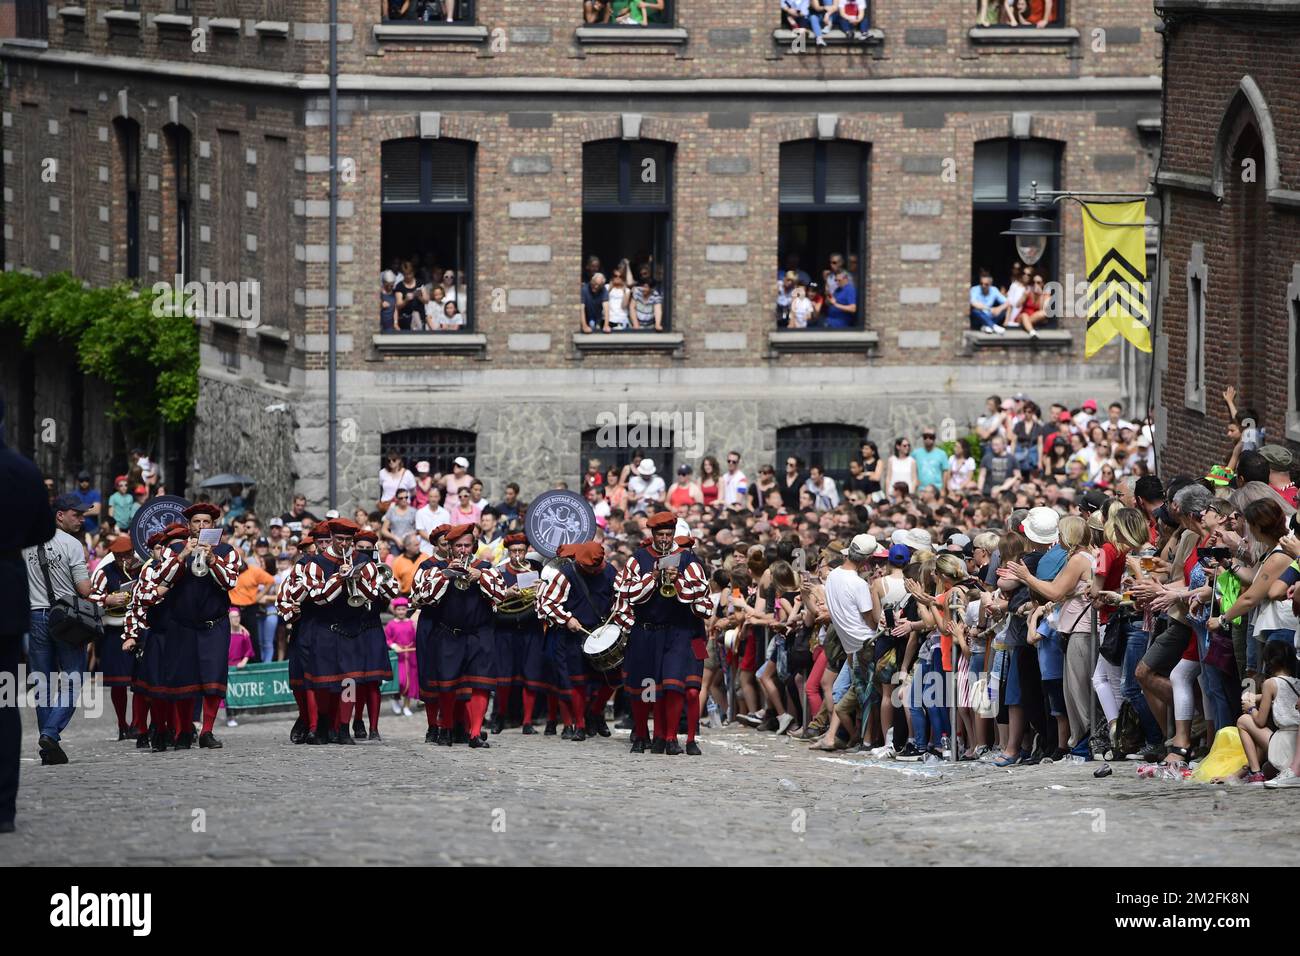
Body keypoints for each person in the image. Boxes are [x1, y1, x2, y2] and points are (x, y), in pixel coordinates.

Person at [616, 512, 711, 754]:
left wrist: (677, 580)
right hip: (644, 630)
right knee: (642, 687)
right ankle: (640, 734)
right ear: (653, 535)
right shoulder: (638, 558)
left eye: (669, 534)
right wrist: (653, 576)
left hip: (673, 631)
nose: (665, 539)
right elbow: (626, 591)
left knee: (670, 686)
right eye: (661, 535)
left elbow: (700, 592)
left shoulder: (687, 559)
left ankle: (668, 737)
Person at [150, 503, 243, 750]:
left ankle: (207, 731)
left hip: (215, 624)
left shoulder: (226, 550)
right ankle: (182, 731)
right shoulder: (175, 549)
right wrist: (182, 556)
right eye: (197, 522)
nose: (202, 526)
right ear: (189, 526)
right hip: (183, 624)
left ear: (213, 525)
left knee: (213, 680)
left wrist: (212, 559)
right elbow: (161, 578)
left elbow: (230, 582)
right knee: (183, 679)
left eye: (206, 522)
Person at [2, 406, 55, 829]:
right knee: (4, 706)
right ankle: (3, 808)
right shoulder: (23, 470)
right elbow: (42, 531)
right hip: (6, 594)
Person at [409, 523, 501, 747]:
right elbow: (424, 598)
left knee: (481, 684)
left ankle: (475, 733)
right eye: (458, 546)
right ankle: (447, 728)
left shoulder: (486, 567)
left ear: (473, 547)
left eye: (467, 546)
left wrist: (480, 577)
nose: (463, 550)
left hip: (479, 633)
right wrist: (447, 574)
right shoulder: (435, 569)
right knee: (447, 685)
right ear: (450, 548)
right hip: (449, 634)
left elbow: (499, 595)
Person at [23, 493, 95, 766]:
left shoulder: (26, 543)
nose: (81, 519)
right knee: (75, 675)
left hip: (34, 615)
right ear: (59, 515)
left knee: (43, 681)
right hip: (66, 617)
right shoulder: (72, 545)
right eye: (76, 514)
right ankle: (50, 734)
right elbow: (84, 589)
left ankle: (48, 748)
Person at [810, 534, 880, 752]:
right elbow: (870, 618)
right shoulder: (858, 584)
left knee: (843, 691)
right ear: (866, 559)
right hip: (864, 642)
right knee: (863, 694)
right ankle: (864, 740)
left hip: (849, 643)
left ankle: (836, 736)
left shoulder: (833, 576)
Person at [88, 536, 146, 740]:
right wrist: (108, 599)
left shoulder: (143, 568)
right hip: (114, 629)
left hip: (139, 628)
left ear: (132, 553)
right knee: (118, 682)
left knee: (142, 680)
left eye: (127, 555)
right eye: (119, 556)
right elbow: (90, 596)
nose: (124, 560)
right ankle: (122, 724)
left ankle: (139, 723)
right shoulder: (104, 572)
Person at [490, 533, 549, 735]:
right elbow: (492, 602)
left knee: (531, 676)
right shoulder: (498, 573)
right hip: (505, 631)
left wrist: (539, 590)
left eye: (521, 551)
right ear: (508, 552)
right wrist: (507, 593)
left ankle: (527, 721)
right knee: (503, 677)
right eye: (514, 551)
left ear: (527, 551)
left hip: (530, 630)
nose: (517, 555)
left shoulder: (537, 570)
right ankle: (499, 717)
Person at [385, 598, 419, 716]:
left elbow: (415, 638)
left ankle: (406, 706)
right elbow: (387, 639)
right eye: (398, 609)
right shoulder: (391, 624)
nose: (401, 612)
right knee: (400, 681)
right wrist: (394, 645)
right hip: (398, 657)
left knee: (410, 682)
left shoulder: (411, 623)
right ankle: (395, 699)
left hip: (410, 656)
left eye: (403, 609)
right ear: (394, 610)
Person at [224, 607, 253, 728]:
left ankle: (235, 714)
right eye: (233, 617)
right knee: (228, 694)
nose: (236, 619)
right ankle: (230, 716)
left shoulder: (244, 634)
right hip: (227, 667)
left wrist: (244, 661)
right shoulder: (224, 633)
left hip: (238, 667)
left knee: (236, 693)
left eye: (238, 616)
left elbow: (249, 650)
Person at [970, 269, 1008, 334]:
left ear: (990, 284)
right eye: (981, 283)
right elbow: (973, 303)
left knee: (1003, 311)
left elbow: (1007, 303)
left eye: (986, 284)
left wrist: (999, 309)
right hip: (979, 317)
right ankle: (993, 326)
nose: (983, 286)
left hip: (990, 316)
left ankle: (987, 326)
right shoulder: (974, 289)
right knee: (975, 311)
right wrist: (990, 309)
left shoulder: (994, 290)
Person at [911, 428, 949, 493]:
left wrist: (943, 488)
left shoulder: (942, 454)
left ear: (934, 438)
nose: (928, 439)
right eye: (925, 437)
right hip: (921, 490)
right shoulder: (915, 453)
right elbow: (911, 470)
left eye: (931, 437)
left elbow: (946, 471)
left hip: (937, 490)